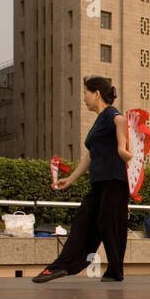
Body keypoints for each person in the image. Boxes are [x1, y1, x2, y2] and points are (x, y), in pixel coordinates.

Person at [33, 76, 132, 283]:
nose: (84, 98)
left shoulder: (109, 114)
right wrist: (71, 179)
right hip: (99, 182)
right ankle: (63, 266)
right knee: (83, 222)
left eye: (85, 93)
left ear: (96, 94)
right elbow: (91, 154)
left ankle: (115, 271)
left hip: (114, 179)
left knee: (109, 224)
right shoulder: (98, 121)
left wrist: (122, 147)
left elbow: (121, 120)